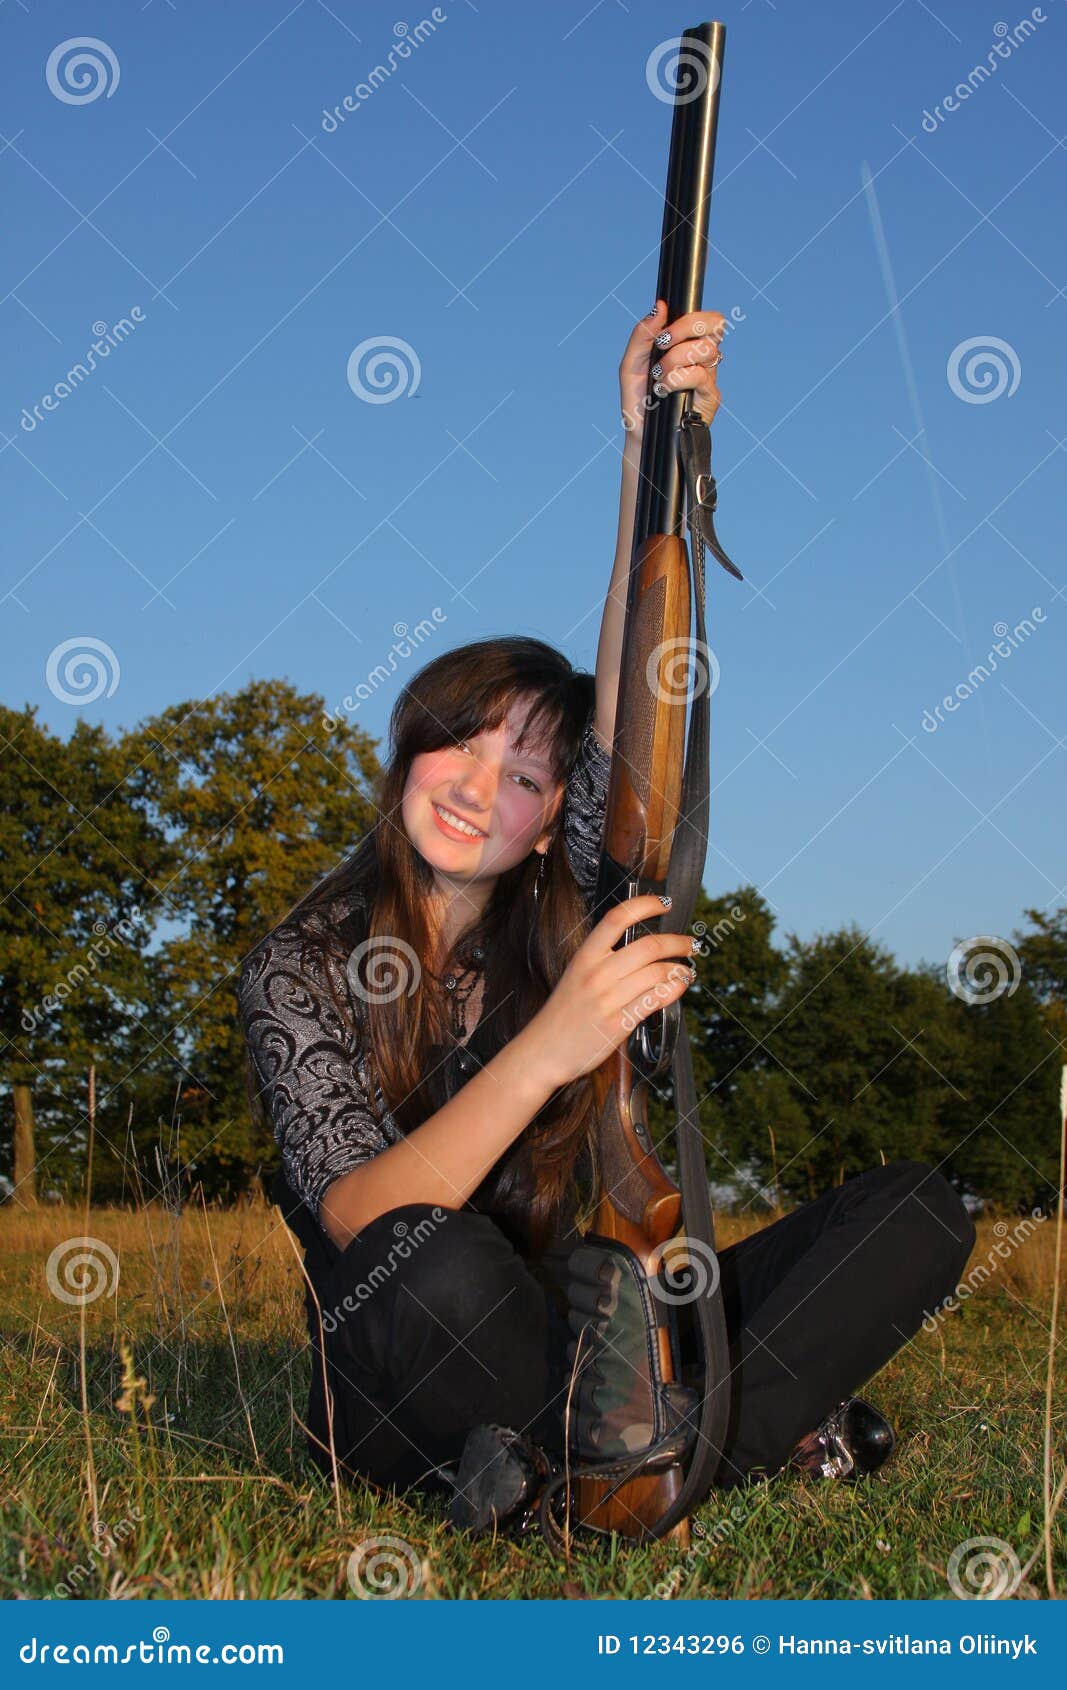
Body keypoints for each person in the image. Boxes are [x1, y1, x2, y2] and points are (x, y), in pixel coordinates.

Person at [236, 304, 976, 1538]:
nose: (479, 789)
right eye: (458, 746)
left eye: (526, 774)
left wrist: (647, 451)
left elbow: (637, 735)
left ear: (551, 819)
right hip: (411, 1358)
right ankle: (689, 1450)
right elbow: (359, 1217)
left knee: (916, 1215)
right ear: (405, 755)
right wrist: (555, 1041)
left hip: (581, 1340)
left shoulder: (565, 908)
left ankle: (608, 1466)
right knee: (428, 1250)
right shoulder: (295, 965)